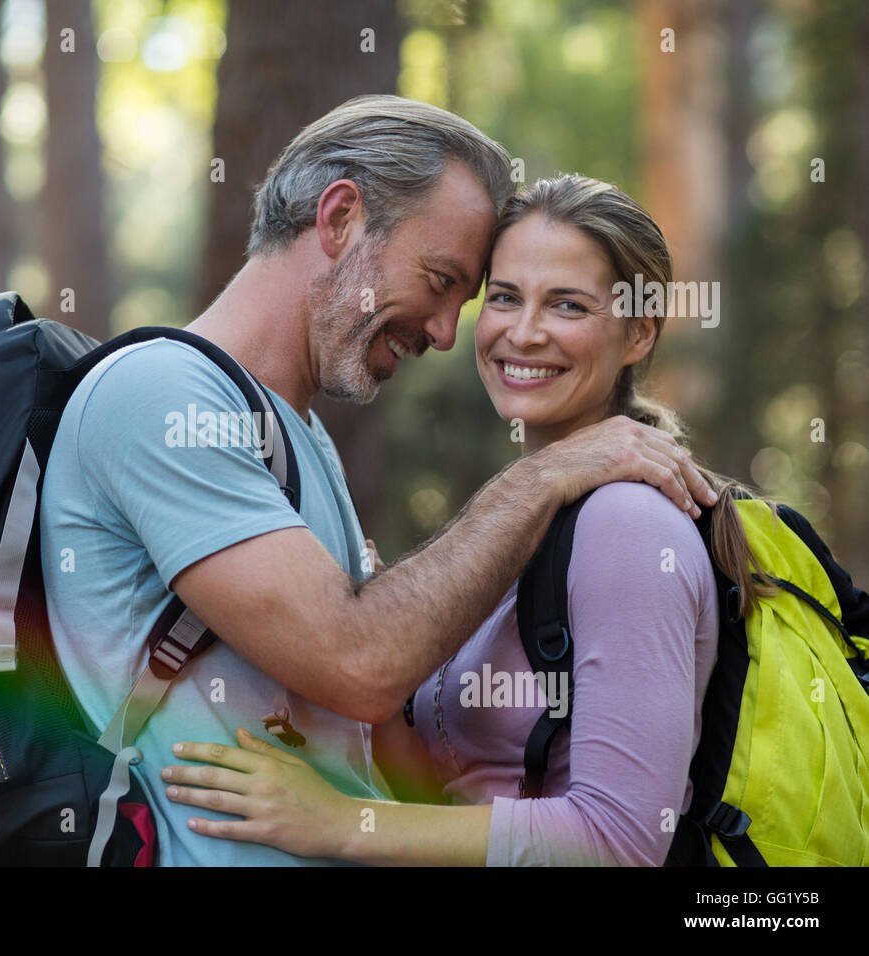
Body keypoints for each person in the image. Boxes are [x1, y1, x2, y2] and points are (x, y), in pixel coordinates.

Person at [40, 97, 717, 867]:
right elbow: (361, 665)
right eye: (445, 282)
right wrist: (543, 477)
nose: (443, 333)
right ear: (339, 220)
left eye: (468, 300)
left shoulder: (304, 439)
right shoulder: (162, 395)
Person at [159, 174, 771, 866]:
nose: (524, 332)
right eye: (505, 298)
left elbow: (618, 841)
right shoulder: (533, 514)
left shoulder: (628, 525)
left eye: (567, 305)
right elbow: (463, 780)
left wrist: (340, 822)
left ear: (637, 335)